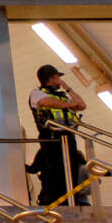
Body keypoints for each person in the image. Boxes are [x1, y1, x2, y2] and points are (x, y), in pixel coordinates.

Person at [26, 64, 88, 207]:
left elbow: (82, 105)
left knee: (72, 168)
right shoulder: (37, 93)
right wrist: (69, 105)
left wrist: (67, 88)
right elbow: (47, 102)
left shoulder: (63, 95)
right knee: (54, 168)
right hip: (51, 136)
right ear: (51, 78)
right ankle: (52, 199)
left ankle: (70, 199)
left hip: (68, 135)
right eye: (57, 78)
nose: (59, 80)